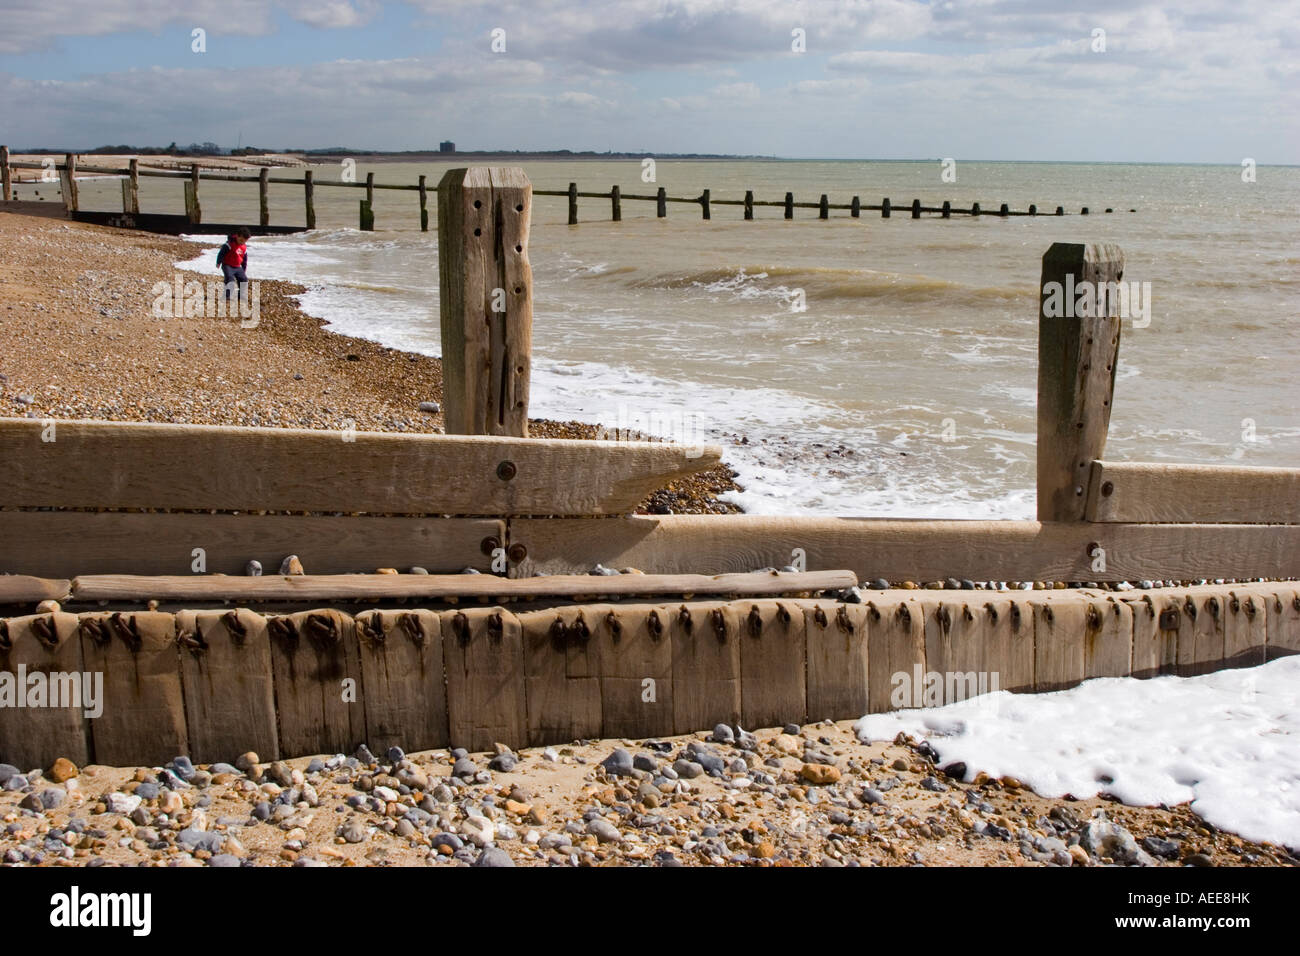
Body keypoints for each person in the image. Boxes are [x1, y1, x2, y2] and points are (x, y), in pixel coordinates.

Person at [216, 227, 251, 302]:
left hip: (238, 267)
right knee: (230, 279)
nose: (242, 242)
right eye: (241, 240)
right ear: (237, 236)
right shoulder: (229, 244)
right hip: (227, 265)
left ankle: (240, 295)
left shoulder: (244, 247)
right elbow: (221, 253)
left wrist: (244, 268)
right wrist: (218, 262)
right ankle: (227, 296)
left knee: (244, 280)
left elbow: (244, 259)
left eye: (244, 241)